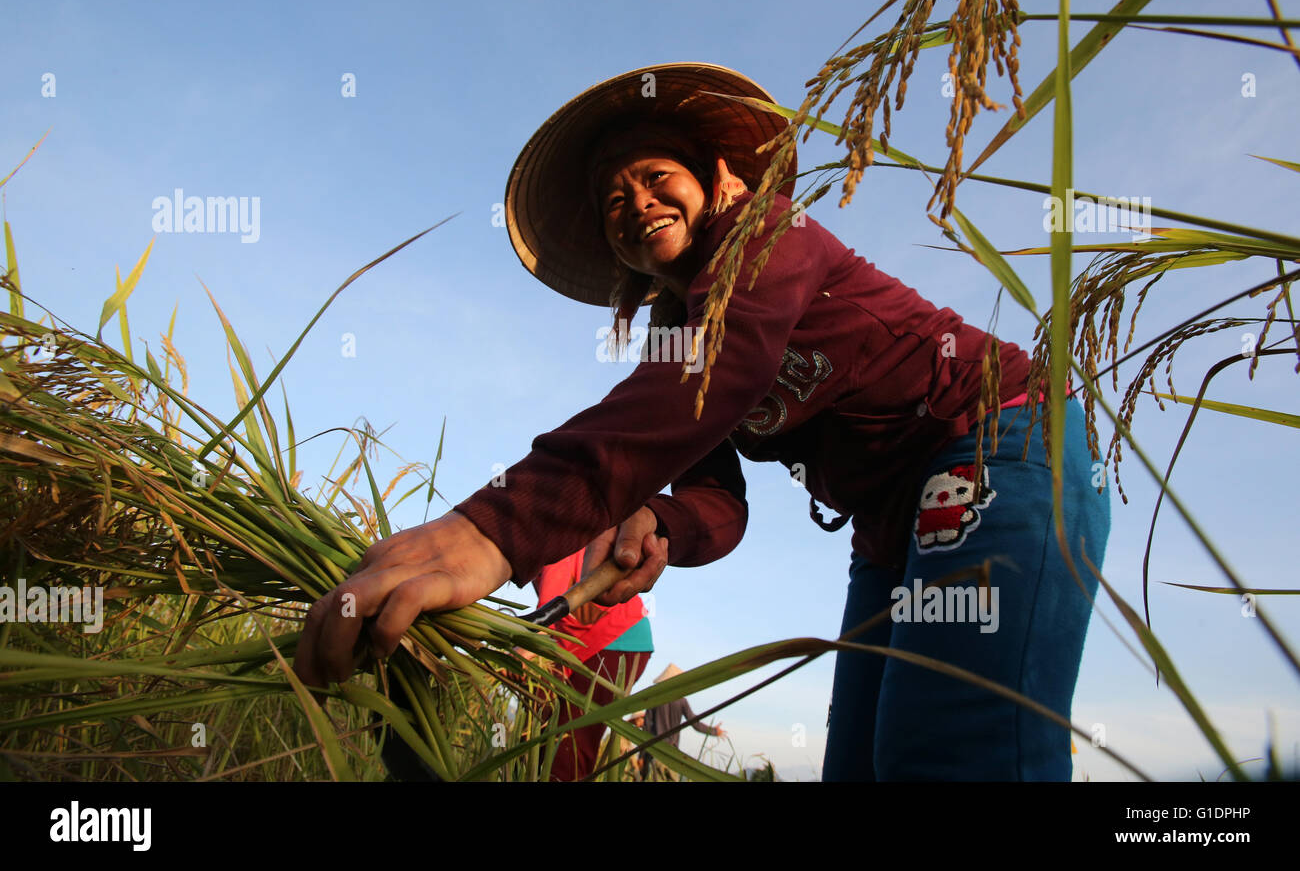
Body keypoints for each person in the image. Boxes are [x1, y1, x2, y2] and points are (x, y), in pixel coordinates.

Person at [295, 63, 1110, 781]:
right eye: (615, 200)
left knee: (951, 757)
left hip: (998, 448)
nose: (638, 203)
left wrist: (493, 531)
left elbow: (718, 375)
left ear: (716, 175)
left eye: (655, 177)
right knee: (861, 767)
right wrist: (659, 520)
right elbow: (720, 504)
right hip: (889, 524)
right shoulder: (674, 332)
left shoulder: (770, 236)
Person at [525, 546, 653, 781]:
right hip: (580, 642)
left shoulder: (554, 537)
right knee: (538, 733)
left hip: (617, 641)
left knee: (568, 744)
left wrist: (523, 645)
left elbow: (550, 612)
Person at [638, 663, 724, 780]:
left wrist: (641, 756)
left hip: (655, 752)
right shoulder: (681, 701)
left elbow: (646, 729)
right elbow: (695, 723)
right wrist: (714, 731)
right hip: (673, 756)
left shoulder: (654, 700)